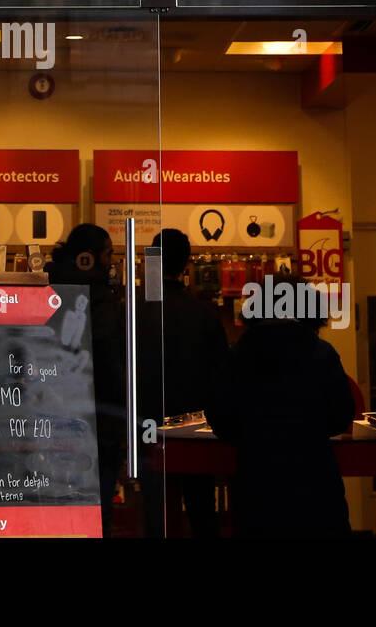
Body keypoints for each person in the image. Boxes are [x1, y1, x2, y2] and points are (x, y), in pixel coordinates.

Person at [206, 272, 354, 538]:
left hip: (257, 485)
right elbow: (342, 415)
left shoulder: (238, 354)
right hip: (315, 485)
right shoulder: (322, 353)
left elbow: (221, 418)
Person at [139, 228, 228, 537]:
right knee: (202, 509)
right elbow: (221, 373)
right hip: (195, 426)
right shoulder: (204, 314)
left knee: (157, 512)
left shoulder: (135, 312)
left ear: (152, 260)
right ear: (187, 264)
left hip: (148, 424)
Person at [46, 223, 124, 538]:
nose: (111, 259)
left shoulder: (48, 293)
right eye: (107, 253)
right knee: (97, 503)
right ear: (89, 257)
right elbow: (110, 365)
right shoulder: (103, 303)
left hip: (52, 417)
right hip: (97, 420)